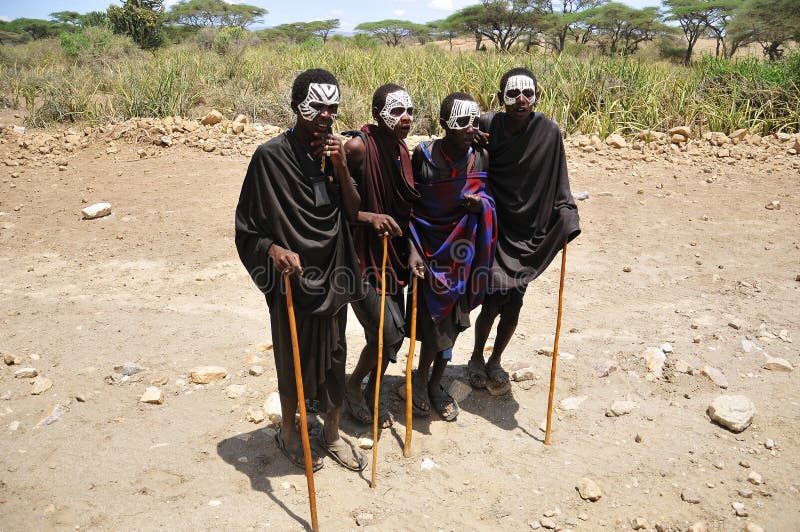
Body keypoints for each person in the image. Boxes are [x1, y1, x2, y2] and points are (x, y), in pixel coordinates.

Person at [235, 68, 367, 473]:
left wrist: (342, 166)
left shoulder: (334, 153)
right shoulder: (270, 158)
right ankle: (289, 433)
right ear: (296, 107)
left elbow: (350, 210)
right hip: (291, 279)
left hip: (333, 271)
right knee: (292, 355)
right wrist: (273, 249)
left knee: (335, 354)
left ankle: (330, 432)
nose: (326, 115)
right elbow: (246, 228)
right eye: (317, 107)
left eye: (333, 107)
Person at [468, 67, 581, 394]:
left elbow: (560, 179)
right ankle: (476, 356)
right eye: (513, 93)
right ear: (501, 97)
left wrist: (565, 211)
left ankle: (496, 359)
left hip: (529, 229)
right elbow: (460, 143)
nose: (520, 100)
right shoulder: (488, 125)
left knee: (514, 303)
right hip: (495, 227)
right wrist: (474, 138)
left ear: (536, 97)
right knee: (492, 299)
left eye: (527, 94)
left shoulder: (549, 132)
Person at [406, 92, 497, 421]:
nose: (470, 128)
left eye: (474, 121)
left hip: (462, 254)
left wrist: (480, 205)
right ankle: (420, 379)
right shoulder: (425, 155)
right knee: (430, 322)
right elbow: (411, 206)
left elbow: (490, 200)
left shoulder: (480, 157)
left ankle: (434, 382)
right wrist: (413, 249)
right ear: (445, 124)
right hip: (428, 251)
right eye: (461, 122)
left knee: (454, 322)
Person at [343, 84, 419, 428]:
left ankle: (373, 388)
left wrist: (414, 250)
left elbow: (408, 212)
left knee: (395, 334)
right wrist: (369, 218)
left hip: (394, 256)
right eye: (397, 112)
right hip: (360, 257)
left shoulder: (403, 150)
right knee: (388, 332)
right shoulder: (358, 147)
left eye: (410, 112)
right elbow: (335, 207)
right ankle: (352, 387)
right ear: (377, 114)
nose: (405, 118)